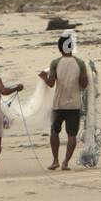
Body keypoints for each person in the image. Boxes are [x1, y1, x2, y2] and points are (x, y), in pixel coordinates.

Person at [38, 35, 89, 171]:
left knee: (54, 132)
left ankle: (55, 161)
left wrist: (44, 77)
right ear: (71, 47)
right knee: (71, 135)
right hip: (74, 105)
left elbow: (51, 83)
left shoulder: (55, 63)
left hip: (58, 105)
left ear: (60, 48)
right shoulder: (80, 63)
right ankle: (65, 162)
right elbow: (84, 85)